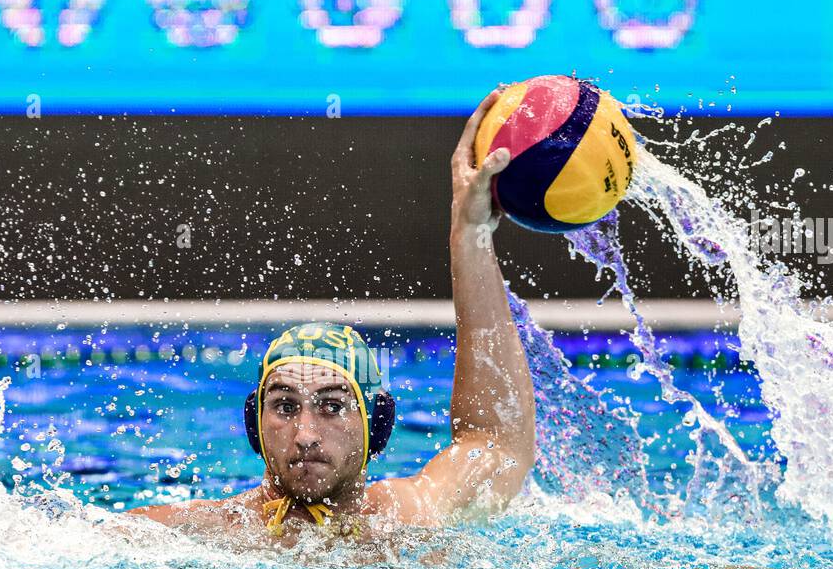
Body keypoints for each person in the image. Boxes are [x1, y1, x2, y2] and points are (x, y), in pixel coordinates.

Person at [130, 88, 535, 539]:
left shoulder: (412, 514)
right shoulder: (200, 534)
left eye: (332, 406)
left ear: (376, 426)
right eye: (284, 406)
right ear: (254, 425)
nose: (305, 435)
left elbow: (498, 443)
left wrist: (471, 230)